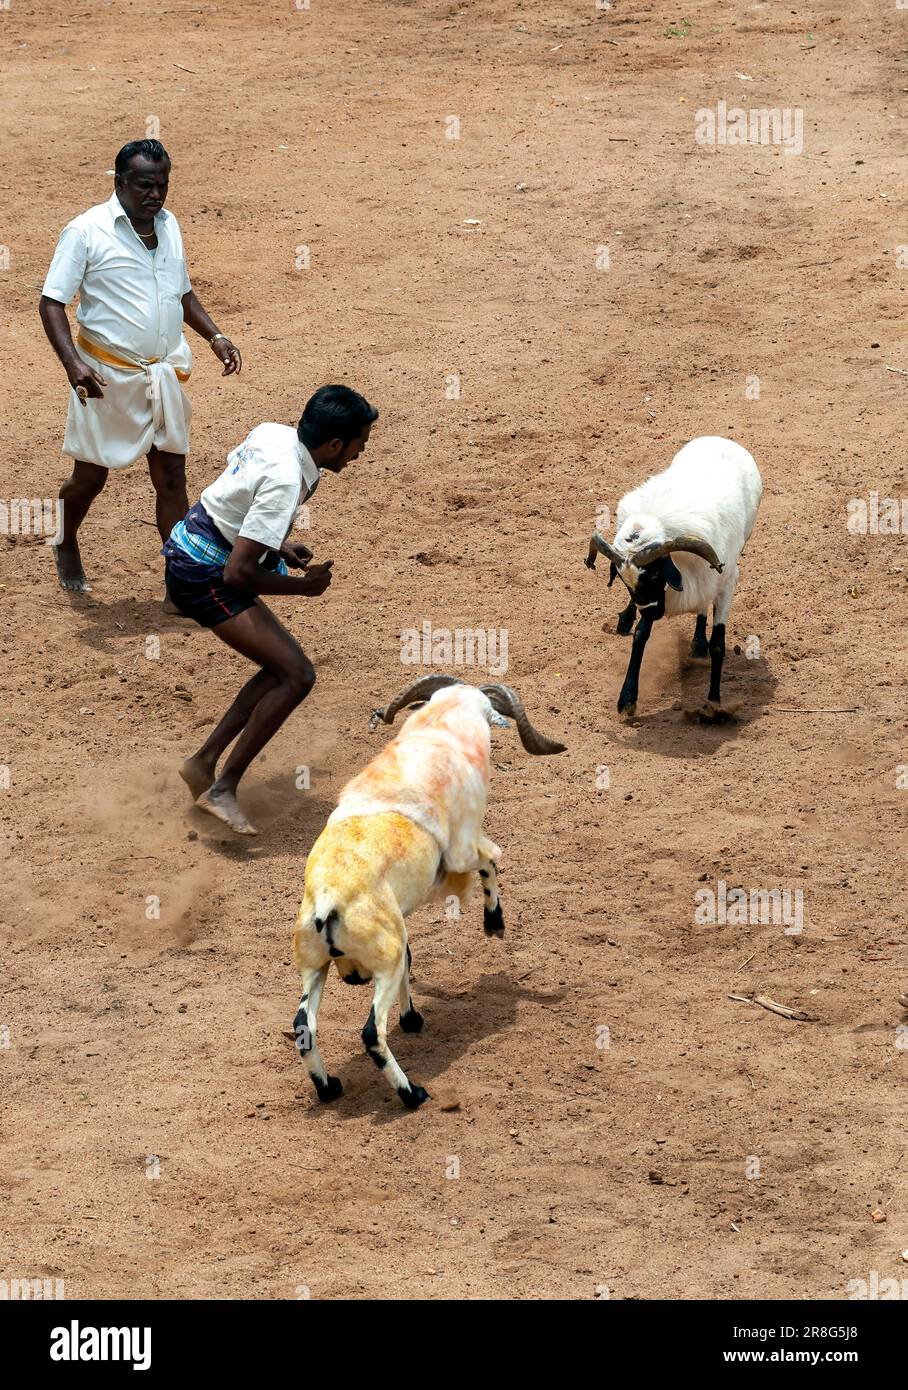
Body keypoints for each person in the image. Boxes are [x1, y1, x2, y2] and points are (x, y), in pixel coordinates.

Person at [163, 385, 378, 836]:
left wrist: (275, 542)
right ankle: (221, 787)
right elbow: (238, 576)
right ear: (335, 444)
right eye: (360, 442)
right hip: (204, 572)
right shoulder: (287, 478)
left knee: (279, 666)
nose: (362, 451)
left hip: (194, 540)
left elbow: (236, 492)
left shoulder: (273, 433)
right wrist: (303, 588)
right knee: (297, 674)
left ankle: (203, 763)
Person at [39, 138, 242, 594]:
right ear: (120, 182)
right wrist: (73, 364)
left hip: (163, 373)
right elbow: (51, 302)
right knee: (90, 477)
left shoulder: (169, 227)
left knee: (171, 476)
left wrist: (215, 335)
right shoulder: (86, 232)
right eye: (146, 185)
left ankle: (181, 582)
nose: (156, 195)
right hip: (104, 378)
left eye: (162, 185)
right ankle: (66, 538)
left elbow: (182, 292)